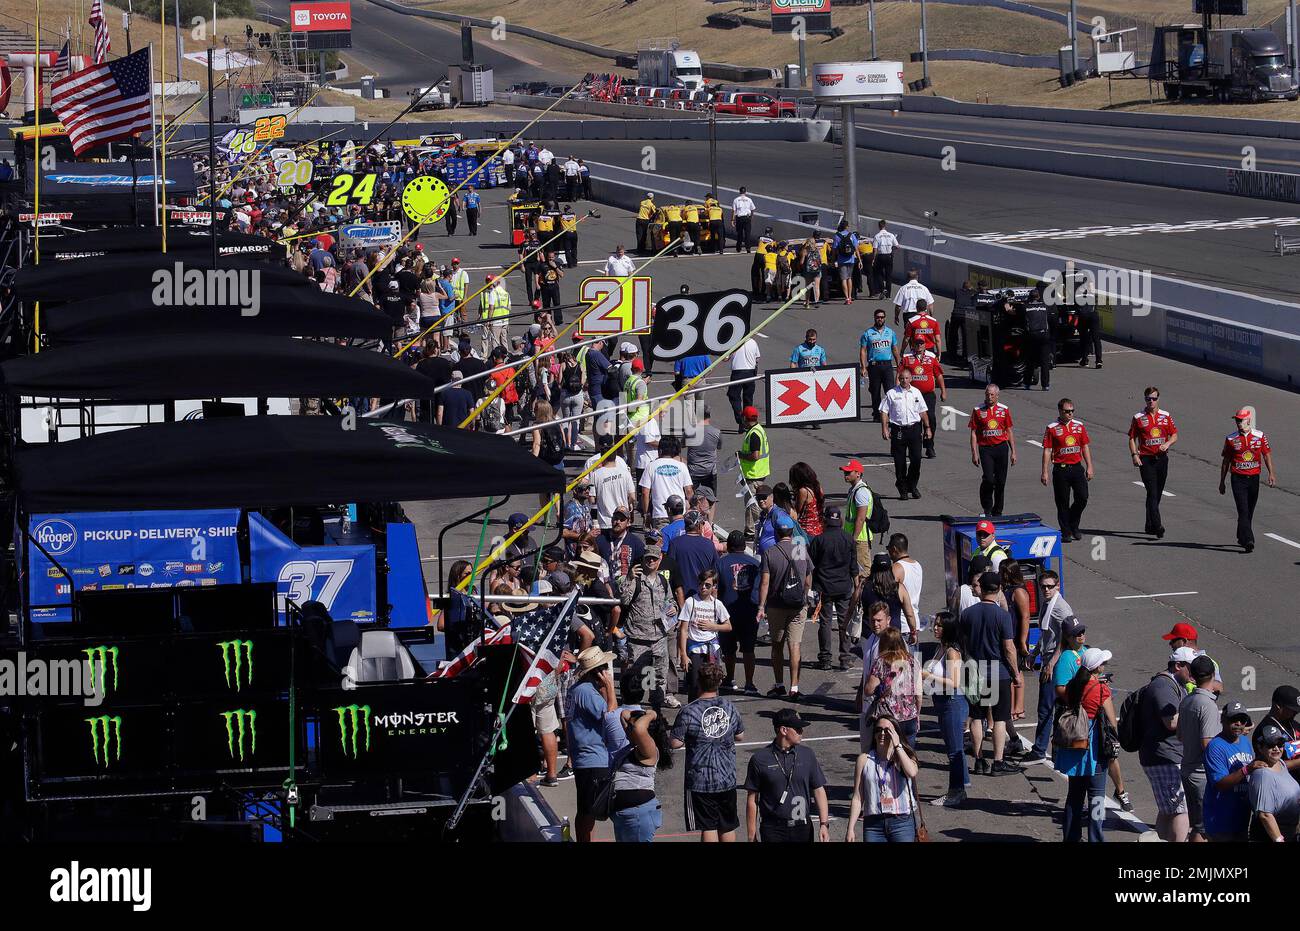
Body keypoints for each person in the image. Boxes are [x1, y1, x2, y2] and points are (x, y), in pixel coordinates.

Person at [670, 662, 745, 841]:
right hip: (726, 776)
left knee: (708, 826)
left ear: (699, 681)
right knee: (727, 825)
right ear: (719, 683)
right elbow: (740, 735)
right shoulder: (729, 707)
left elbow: (675, 743)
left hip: (700, 779)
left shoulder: (688, 711)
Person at [960, 572, 1024, 775]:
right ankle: (998, 761)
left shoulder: (967, 614)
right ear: (997, 590)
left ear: (982, 589)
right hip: (997, 671)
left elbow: (962, 642)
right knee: (999, 718)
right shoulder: (1002, 616)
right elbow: (1009, 648)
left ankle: (979, 760)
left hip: (973, 670)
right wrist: (1016, 673)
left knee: (976, 716)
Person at [1054, 647, 1117, 843]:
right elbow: (1112, 721)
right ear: (1097, 668)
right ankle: (1096, 838)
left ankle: (1071, 837)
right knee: (1097, 798)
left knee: (1074, 796)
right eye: (1102, 663)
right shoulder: (1101, 689)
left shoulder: (1074, 685)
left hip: (1075, 745)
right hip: (1095, 748)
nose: (1104, 665)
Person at [744, 709, 830, 843]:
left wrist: (824, 824)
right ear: (784, 730)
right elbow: (752, 799)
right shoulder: (760, 759)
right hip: (773, 829)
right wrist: (751, 835)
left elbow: (819, 790)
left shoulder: (807, 755)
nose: (802, 732)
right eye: (798, 729)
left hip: (802, 827)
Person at [1139, 648, 1195, 843]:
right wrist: (1195, 713)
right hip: (1166, 756)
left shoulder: (1173, 683)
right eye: (1191, 668)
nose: (1194, 673)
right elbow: (1170, 722)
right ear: (1178, 666)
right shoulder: (1164, 686)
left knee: (1168, 810)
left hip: (1162, 755)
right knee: (1182, 810)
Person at [565, 646, 617, 842]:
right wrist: (610, 688)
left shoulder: (577, 690)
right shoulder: (587, 692)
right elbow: (611, 716)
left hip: (583, 757)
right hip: (593, 759)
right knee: (591, 810)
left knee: (586, 810)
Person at [756, 523, 812, 700]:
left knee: (777, 645)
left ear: (777, 534)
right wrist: (804, 596)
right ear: (791, 533)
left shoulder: (771, 552)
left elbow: (765, 582)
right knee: (794, 645)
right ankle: (794, 687)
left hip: (776, 604)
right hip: (797, 604)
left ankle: (779, 684)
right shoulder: (799, 550)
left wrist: (761, 606)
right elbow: (808, 579)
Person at [846, 713, 920, 842]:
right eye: (878, 730)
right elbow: (858, 797)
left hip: (902, 822)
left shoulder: (904, 756)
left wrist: (897, 746)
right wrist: (850, 828)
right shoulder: (864, 759)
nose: (882, 734)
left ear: (895, 734)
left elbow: (912, 772)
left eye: (887, 731)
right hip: (873, 824)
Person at [618, 543, 676, 706]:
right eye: (648, 558)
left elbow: (670, 600)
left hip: (658, 639)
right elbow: (624, 600)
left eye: (654, 558)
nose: (651, 561)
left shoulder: (663, 581)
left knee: (657, 678)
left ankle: (655, 709)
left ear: (659, 560)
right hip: (638, 640)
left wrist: (673, 608)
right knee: (637, 678)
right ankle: (634, 708)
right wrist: (629, 579)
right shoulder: (635, 580)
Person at [922, 611, 969, 807]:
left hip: (952, 703)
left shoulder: (952, 651)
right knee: (954, 749)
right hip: (942, 702)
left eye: (939, 625)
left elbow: (954, 682)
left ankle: (956, 791)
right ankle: (961, 786)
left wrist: (927, 675)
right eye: (935, 624)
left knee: (954, 750)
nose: (935, 628)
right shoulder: (942, 648)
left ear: (948, 628)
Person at [609, 699, 673, 842]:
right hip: (624, 814)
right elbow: (624, 714)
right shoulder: (634, 745)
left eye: (632, 727)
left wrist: (652, 715)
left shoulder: (650, 750)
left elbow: (639, 729)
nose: (630, 729)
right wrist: (644, 714)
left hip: (638, 813)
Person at [1026, 587, 1077, 762]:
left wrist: (1051, 664)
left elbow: (1066, 637)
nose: (1046, 589)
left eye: (1050, 586)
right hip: (1049, 660)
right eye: (1043, 586)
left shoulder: (1060, 608)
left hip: (1055, 664)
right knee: (1052, 708)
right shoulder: (1047, 605)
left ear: (1057, 586)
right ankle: (1055, 751)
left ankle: (1040, 750)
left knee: (1047, 708)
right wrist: (1034, 653)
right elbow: (1046, 634)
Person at [1219, 407, 1276, 553]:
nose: (1238, 423)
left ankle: (1241, 535)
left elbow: (1266, 455)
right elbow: (1226, 461)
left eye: (1241, 420)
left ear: (1248, 420)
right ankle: (1249, 540)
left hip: (1254, 479)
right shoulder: (1231, 438)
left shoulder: (1260, 436)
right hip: (1238, 479)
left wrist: (1271, 474)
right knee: (1243, 510)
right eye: (1237, 420)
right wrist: (1222, 481)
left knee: (1249, 511)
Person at [808, 505, 858, 672]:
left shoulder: (819, 540)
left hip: (824, 587)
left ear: (826, 520)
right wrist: (857, 586)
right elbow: (854, 567)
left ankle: (825, 658)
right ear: (840, 521)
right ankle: (845, 657)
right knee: (845, 621)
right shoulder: (848, 539)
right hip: (844, 586)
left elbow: (811, 564)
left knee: (825, 622)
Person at [1179, 655, 1221, 843]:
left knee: (1198, 825)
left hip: (1189, 769)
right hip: (1202, 774)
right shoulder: (1208, 706)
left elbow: (1180, 736)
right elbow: (1208, 744)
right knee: (1203, 829)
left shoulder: (1187, 701)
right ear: (1213, 674)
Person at [1127, 386, 1178, 538]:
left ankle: (1149, 524)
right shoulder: (1138, 417)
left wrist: (1167, 444)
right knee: (1152, 492)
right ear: (1145, 399)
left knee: (1157, 493)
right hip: (1146, 459)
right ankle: (1157, 525)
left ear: (1158, 399)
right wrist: (1134, 455)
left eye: (1154, 398)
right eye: (1148, 399)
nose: (1151, 401)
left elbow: (1174, 434)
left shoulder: (1165, 416)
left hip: (1162, 459)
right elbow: (1131, 438)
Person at [1041, 397, 1093, 542]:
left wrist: (1089, 466)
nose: (1070, 414)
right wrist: (1044, 471)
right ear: (1060, 411)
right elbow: (1047, 450)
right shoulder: (1052, 428)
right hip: (1061, 470)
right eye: (1067, 411)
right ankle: (1066, 532)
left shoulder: (1079, 426)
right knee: (1062, 502)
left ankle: (1074, 525)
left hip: (1076, 468)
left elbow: (1085, 447)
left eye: (1072, 411)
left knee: (1082, 497)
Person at [1203, 701, 1256, 842]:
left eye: (1242, 720)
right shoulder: (1215, 747)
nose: (1238, 723)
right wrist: (1247, 769)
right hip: (1221, 822)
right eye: (1233, 719)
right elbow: (1220, 783)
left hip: (1241, 818)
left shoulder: (1245, 742)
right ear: (1223, 720)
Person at [676, 569, 732, 702]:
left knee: (713, 683)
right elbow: (683, 630)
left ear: (714, 587)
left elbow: (728, 626)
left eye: (707, 585)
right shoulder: (691, 602)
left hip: (712, 649)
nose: (703, 587)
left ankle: (712, 711)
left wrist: (713, 626)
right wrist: (683, 654)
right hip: (695, 649)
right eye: (701, 584)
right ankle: (693, 712)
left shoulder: (717, 604)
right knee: (695, 684)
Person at [862, 628, 922, 748]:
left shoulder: (881, 662)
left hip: (888, 717)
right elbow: (918, 694)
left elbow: (868, 690)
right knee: (908, 757)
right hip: (909, 716)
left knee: (887, 759)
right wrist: (917, 714)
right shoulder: (912, 661)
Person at [880, 367, 930, 500]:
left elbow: (923, 411)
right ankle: (902, 488)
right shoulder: (891, 393)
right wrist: (884, 428)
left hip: (914, 429)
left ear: (911, 379)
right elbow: (884, 411)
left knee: (916, 460)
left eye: (906, 378)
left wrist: (927, 428)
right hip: (898, 431)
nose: (904, 381)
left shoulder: (916, 392)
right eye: (901, 378)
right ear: (899, 379)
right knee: (899, 462)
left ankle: (912, 485)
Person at [969, 384, 1016, 517]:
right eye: (987, 394)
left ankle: (998, 511)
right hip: (985, 449)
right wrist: (974, 453)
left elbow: (1009, 431)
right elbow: (973, 432)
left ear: (997, 396)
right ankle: (987, 507)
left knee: (1001, 482)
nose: (989, 397)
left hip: (1001, 448)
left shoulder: (1004, 409)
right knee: (989, 479)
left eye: (992, 395)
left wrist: (1013, 452)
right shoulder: (977, 410)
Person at [1247, 723, 1300, 842]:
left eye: (1280, 744)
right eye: (1271, 745)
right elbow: (1265, 815)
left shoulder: (1279, 763)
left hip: (1288, 830)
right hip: (1270, 836)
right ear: (1260, 747)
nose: (1276, 748)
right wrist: (1279, 839)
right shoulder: (1262, 775)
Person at [900, 334, 945, 458]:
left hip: (928, 394)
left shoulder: (931, 357)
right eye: (917, 343)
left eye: (921, 343)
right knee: (915, 421)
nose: (919, 345)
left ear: (925, 344)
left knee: (930, 418)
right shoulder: (907, 358)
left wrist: (943, 391)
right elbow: (900, 374)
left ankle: (929, 445)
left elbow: (939, 375)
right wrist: (897, 390)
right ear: (913, 344)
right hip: (912, 394)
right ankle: (915, 447)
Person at [639, 435, 693, 529]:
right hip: (679, 513)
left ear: (660, 451)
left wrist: (646, 513)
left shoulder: (651, 466)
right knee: (678, 541)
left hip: (659, 513)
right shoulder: (681, 466)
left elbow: (645, 492)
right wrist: (691, 508)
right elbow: (689, 491)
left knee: (662, 542)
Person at [865, 552, 918, 644]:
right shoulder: (899, 588)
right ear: (890, 568)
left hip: (869, 635)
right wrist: (913, 632)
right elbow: (909, 614)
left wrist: (845, 627)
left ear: (873, 568)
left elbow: (851, 608)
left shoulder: (864, 586)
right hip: (893, 636)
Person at [860, 309, 899, 422]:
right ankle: (876, 414)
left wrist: (899, 364)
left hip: (887, 365)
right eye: (878, 317)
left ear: (885, 318)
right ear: (874, 318)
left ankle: (890, 414)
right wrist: (863, 367)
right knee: (875, 391)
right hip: (874, 366)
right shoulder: (867, 333)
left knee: (890, 391)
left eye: (882, 317)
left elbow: (895, 349)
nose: (880, 319)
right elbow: (863, 350)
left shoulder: (891, 333)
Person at [840, 460, 878, 578]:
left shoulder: (861, 492)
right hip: (853, 537)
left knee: (863, 573)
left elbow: (861, 518)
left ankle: (864, 595)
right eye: (845, 472)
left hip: (859, 539)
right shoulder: (854, 489)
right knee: (854, 570)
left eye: (848, 472)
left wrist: (854, 538)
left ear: (858, 473)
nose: (845, 475)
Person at [738, 406, 771, 541]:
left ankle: (758, 529)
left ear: (746, 418)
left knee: (753, 504)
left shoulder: (754, 434)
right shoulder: (757, 430)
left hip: (754, 474)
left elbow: (755, 456)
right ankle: (750, 530)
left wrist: (741, 455)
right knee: (750, 503)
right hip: (756, 473)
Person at [687, 405, 722, 494]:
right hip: (710, 471)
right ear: (709, 416)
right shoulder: (717, 432)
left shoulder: (690, 431)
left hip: (693, 470)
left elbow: (682, 445)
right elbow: (719, 447)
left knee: (691, 499)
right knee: (711, 499)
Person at [727, 338, 761, 430]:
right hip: (750, 372)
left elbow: (725, 358)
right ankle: (749, 421)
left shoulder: (733, 341)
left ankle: (740, 419)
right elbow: (757, 358)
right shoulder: (753, 342)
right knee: (748, 398)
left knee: (733, 396)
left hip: (737, 373)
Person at [789, 462, 825, 539]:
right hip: (819, 529)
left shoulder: (803, 491)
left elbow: (797, 511)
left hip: (806, 531)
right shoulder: (818, 487)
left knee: (799, 550)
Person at [830, 220, 860, 304]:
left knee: (843, 279)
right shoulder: (852, 235)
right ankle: (850, 297)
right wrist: (860, 260)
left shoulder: (837, 236)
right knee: (849, 278)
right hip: (851, 259)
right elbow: (856, 249)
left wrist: (833, 260)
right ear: (847, 227)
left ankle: (846, 298)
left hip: (841, 260)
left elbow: (834, 250)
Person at [870, 219, 899, 300]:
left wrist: (873, 259)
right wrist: (891, 249)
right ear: (885, 226)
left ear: (879, 226)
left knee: (878, 274)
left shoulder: (877, 236)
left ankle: (882, 289)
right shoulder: (891, 235)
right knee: (888, 276)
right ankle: (888, 294)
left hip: (880, 256)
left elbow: (875, 249)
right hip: (889, 256)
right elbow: (897, 246)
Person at [731, 186, 755, 252]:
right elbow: (753, 209)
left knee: (739, 234)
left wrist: (732, 220)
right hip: (747, 218)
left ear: (739, 192)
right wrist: (751, 217)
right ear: (745, 192)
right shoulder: (749, 199)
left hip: (739, 218)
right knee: (747, 234)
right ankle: (748, 248)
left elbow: (734, 211)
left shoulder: (736, 200)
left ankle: (738, 248)